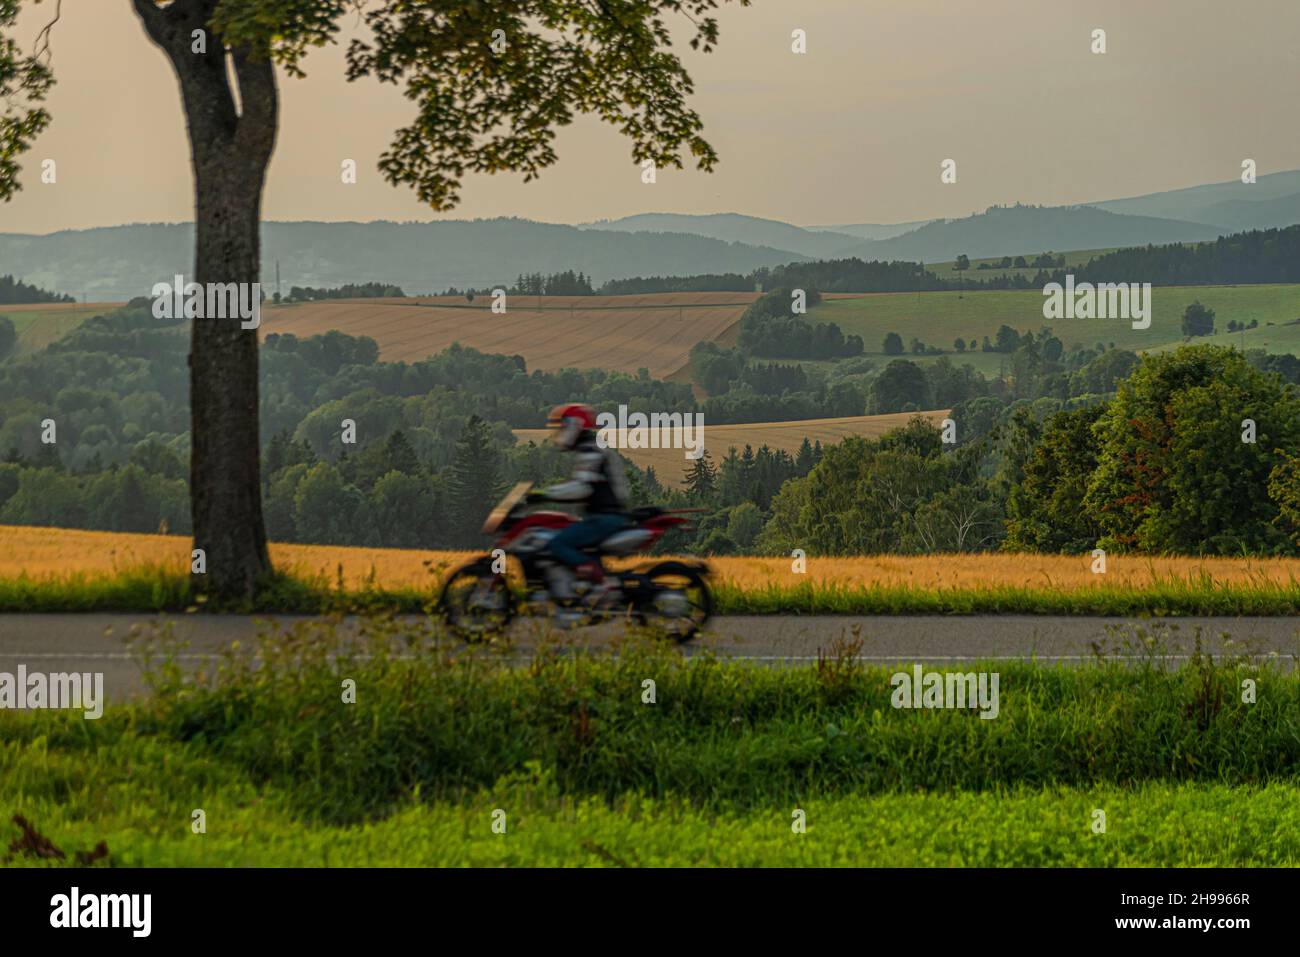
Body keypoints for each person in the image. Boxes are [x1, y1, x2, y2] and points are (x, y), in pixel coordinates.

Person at [530, 403, 630, 607]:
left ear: (575, 426)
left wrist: (545, 494)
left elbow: (582, 488)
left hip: (604, 518)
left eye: (563, 426)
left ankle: (604, 584)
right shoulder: (595, 449)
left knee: (557, 544)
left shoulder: (590, 451)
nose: (560, 432)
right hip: (606, 516)